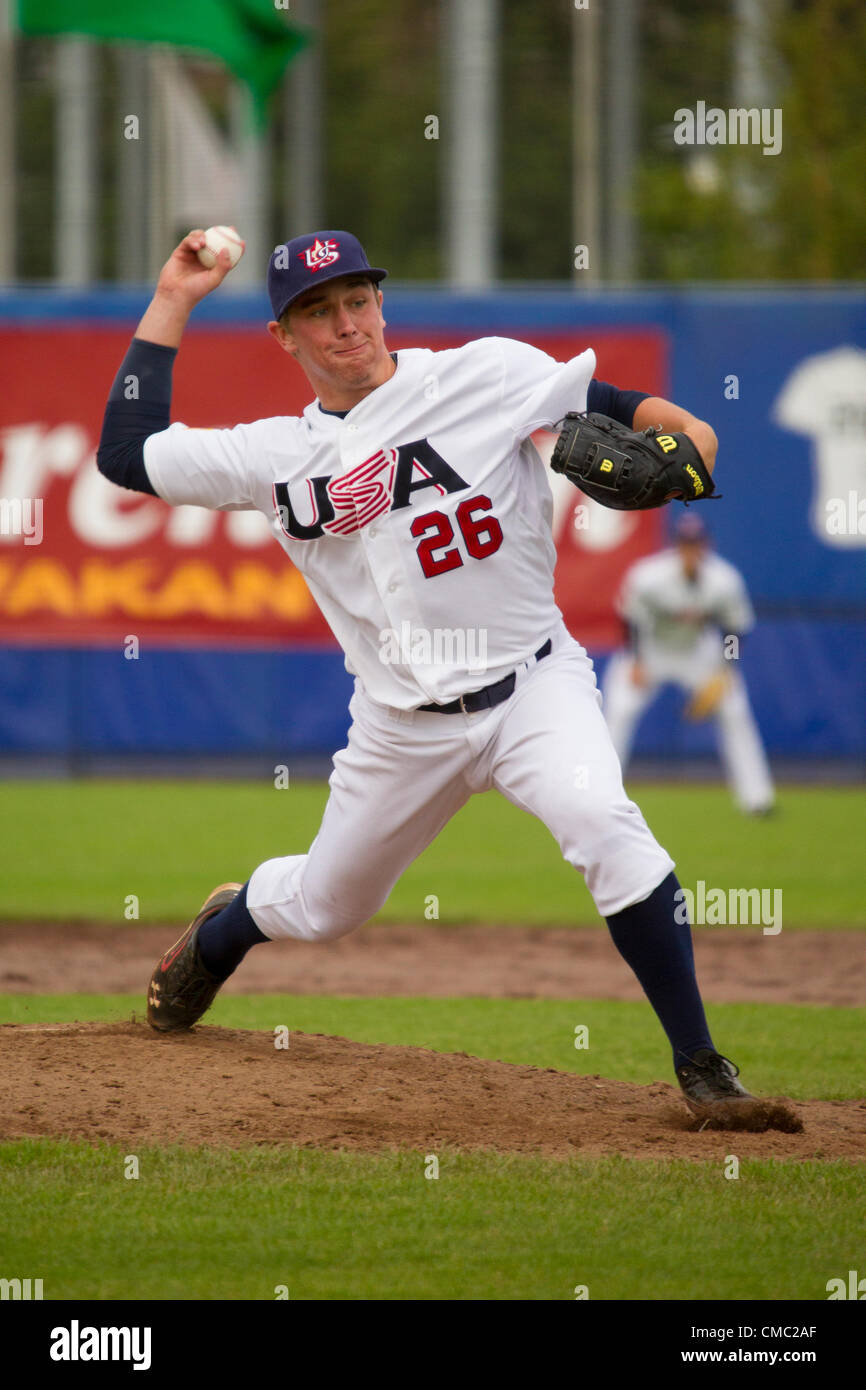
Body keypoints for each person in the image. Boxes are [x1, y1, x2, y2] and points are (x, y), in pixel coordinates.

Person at [96, 227, 771, 1121]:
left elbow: (616, 398)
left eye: (356, 299)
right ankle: (226, 927)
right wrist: (175, 299)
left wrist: (691, 432)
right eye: (316, 312)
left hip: (534, 688)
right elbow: (124, 452)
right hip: (398, 724)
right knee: (328, 905)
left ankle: (703, 1070)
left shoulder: (479, 376)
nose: (346, 324)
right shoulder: (271, 457)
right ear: (284, 338)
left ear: (381, 301)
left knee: (603, 822)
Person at [602, 513, 775, 815]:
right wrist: (637, 662)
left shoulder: (724, 580)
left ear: (707, 544)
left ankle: (757, 800)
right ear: (674, 545)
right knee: (619, 709)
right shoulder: (648, 575)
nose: (691, 550)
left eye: (696, 543)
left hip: (697, 652)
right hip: (651, 649)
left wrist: (727, 670)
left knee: (734, 710)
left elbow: (735, 628)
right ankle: (602, 796)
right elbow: (630, 619)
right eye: (685, 543)